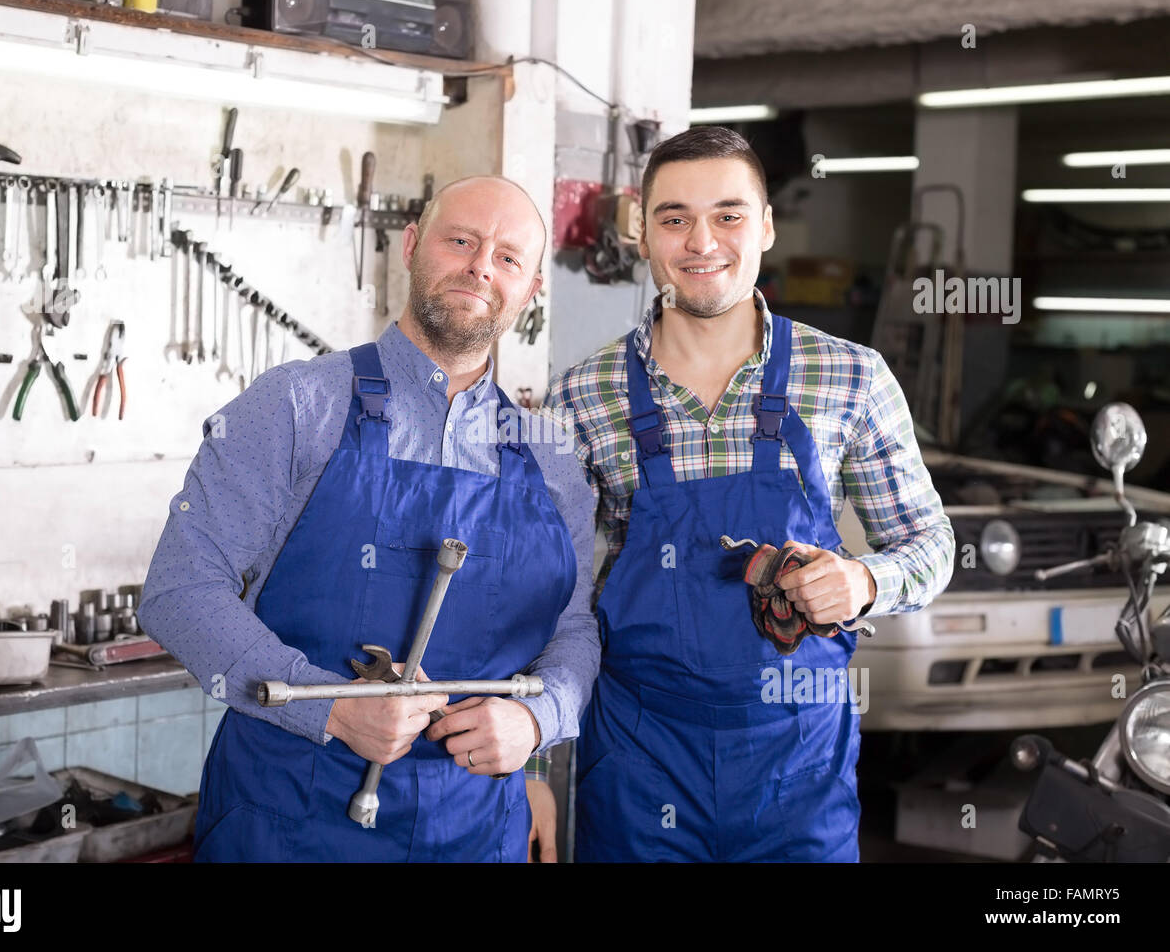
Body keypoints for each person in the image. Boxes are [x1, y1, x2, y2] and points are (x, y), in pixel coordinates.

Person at [137, 175, 598, 862]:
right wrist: (326, 706)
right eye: (461, 241)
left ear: (531, 290)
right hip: (285, 822)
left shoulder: (554, 461)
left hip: (471, 834)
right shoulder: (294, 407)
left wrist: (540, 719)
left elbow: (574, 631)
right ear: (411, 247)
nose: (479, 266)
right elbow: (179, 592)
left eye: (507, 257)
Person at [545, 126, 955, 861]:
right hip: (641, 758)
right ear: (644, 234)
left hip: (798, 764)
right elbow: (544, 594)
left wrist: (865, 578)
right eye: (675, 218)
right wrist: (531, 768)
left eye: (729, 214)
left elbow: (933, 545)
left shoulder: (850, 378)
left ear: (765, 226)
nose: (702, 240)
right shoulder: (581, 398)